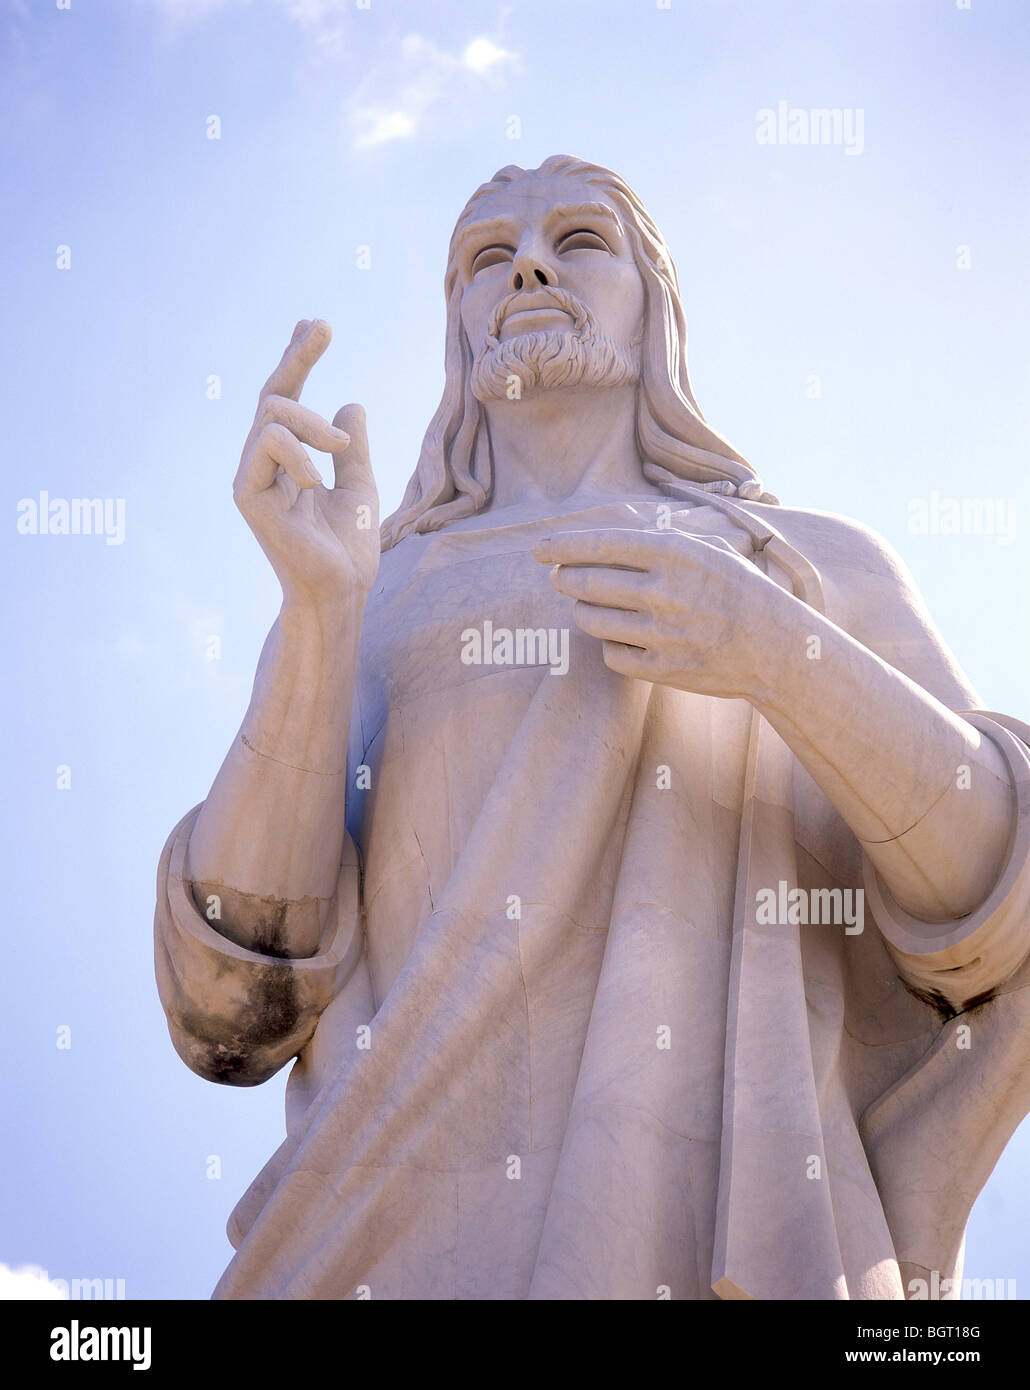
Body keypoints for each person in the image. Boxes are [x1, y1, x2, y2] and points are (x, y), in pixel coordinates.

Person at [156, 155, 1030, 1300]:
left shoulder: (809, 565)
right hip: (377, 1242)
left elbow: (993, 904)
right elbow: (232, 1000)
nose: (525, 263)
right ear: (458, 331)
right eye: (484, 257)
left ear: (654, 305)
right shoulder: (371, 592)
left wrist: (778, 656)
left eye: (578, 240)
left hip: (735, 1231)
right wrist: (319, 618)